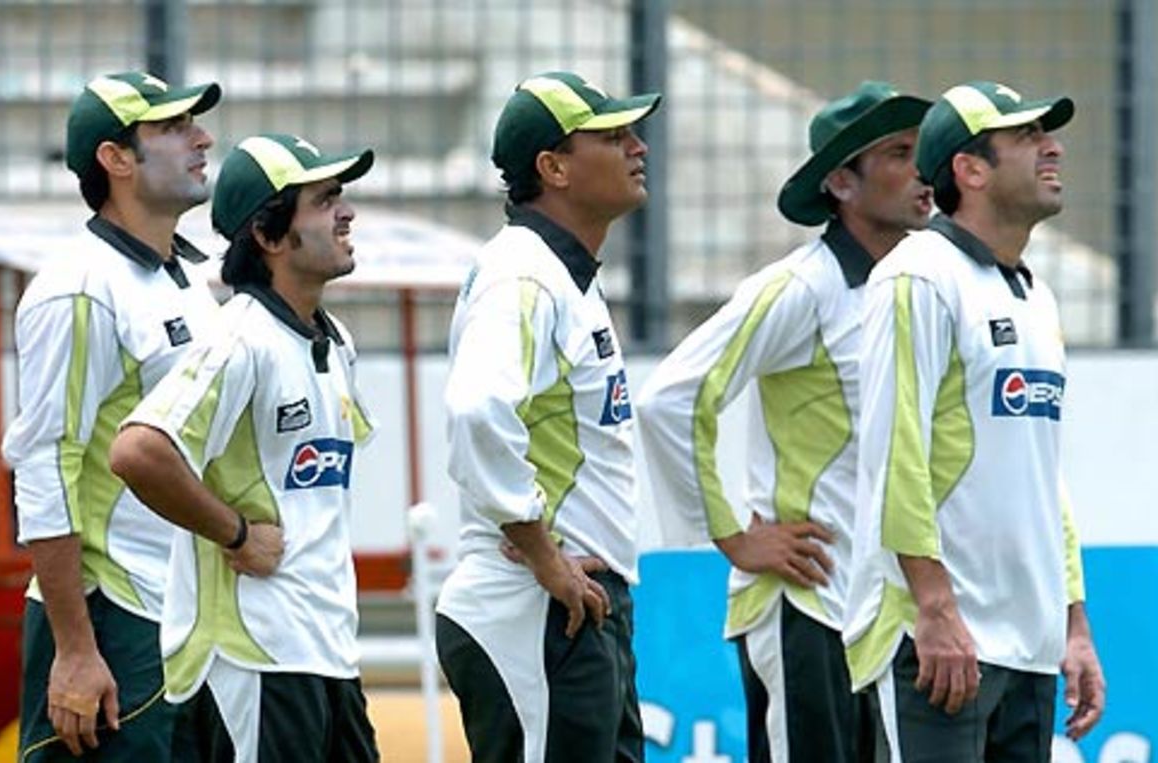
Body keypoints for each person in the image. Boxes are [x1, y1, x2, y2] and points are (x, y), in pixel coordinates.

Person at [635, 81, 933, 763]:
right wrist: (735, 536)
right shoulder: (801, 287)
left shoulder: (917, 289)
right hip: (808, 602)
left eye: (924, 151)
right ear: (840, 182)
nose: (925, 170)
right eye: (898, 152)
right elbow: (671, 396)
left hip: (881, 605)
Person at [843, 81, 1106, 762]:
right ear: (970, 168)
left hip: (1028, 643)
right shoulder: (919, 276)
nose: (1052, 148)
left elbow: (1043, 474)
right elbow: (893, 453)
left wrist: (1072, 623)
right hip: (938, 641)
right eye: (1027, 137)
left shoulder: (1036, 296)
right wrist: (933, 608)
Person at [108, 133, 381, 763]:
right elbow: (138, 451)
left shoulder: (334, 340)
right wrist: (234, 533)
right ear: (269, 233)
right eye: (324, 200)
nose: (346, 212)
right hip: (251, 653)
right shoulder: (238, 337)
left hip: (325, 650)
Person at [435, 71, 659, 762]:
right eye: (613, 136)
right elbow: (476, 408)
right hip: (538, 607)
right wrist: (543, 553)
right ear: (554, 167)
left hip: (568, 606)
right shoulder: (525, 276)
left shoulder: (557, 276)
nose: (639, 147)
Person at [1, 71, 220, 761]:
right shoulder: (77, 285)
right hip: (111, 617)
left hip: (182, 612)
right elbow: (45, 461)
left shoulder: (185, 278)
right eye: (173, 127)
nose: (202, 137)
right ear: (115, 159)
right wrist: (73, 648)